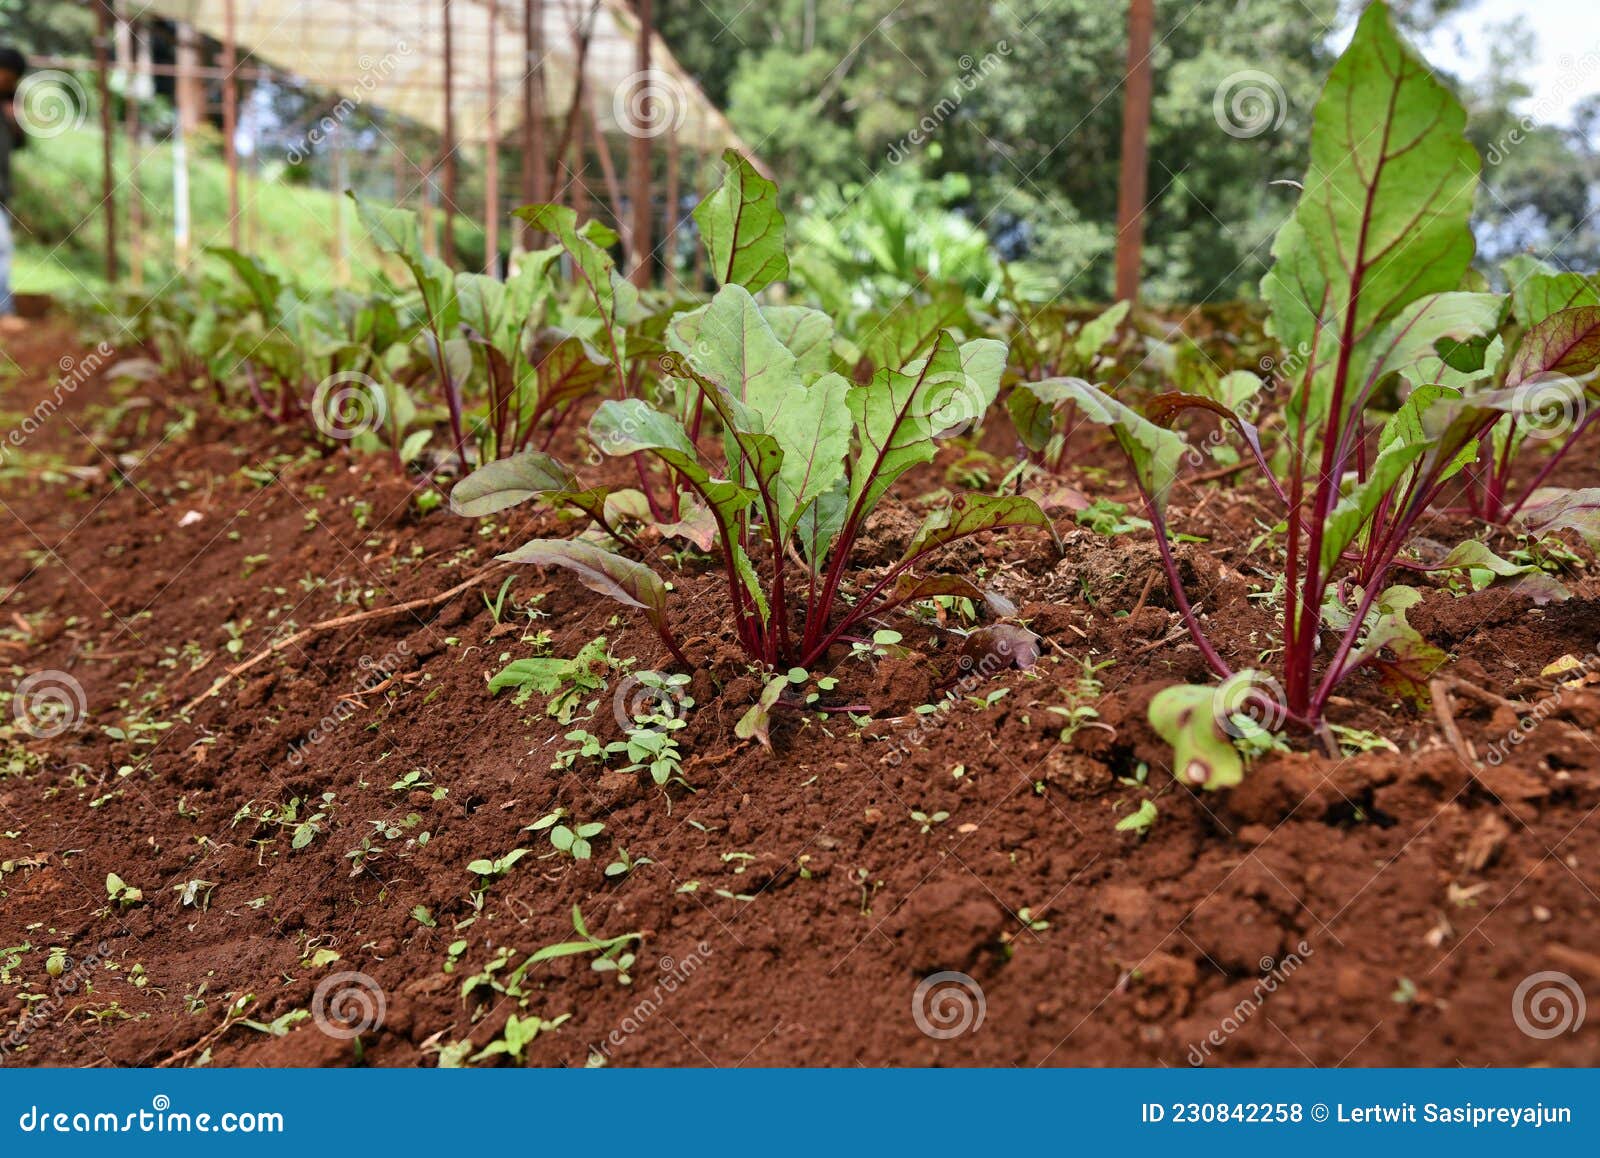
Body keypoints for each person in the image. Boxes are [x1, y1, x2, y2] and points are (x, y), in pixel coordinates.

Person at [0, 45, 26, 323]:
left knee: (2, 249)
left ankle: (4, 311)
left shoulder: (8, 107)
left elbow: (19, 143)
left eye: (10, 79)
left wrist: (14, 120)